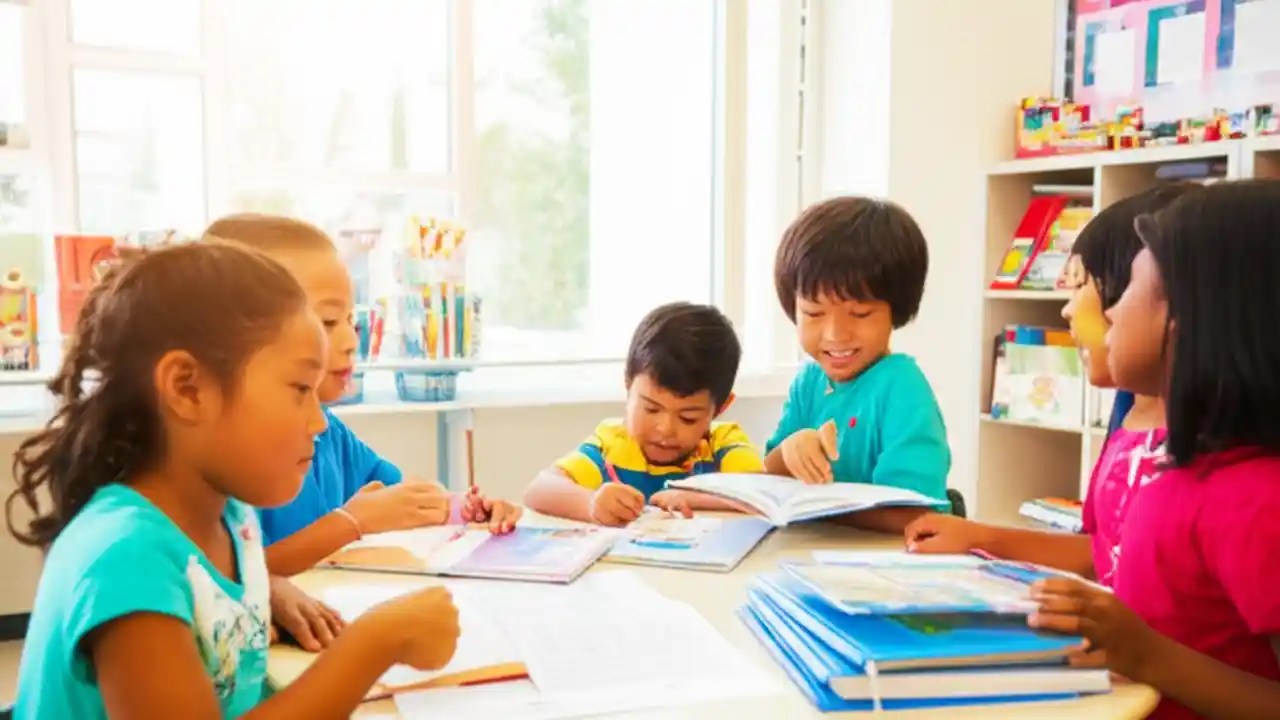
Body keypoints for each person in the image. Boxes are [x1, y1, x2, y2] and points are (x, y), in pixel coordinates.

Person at [6, 242, 460, 719]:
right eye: (299, 389)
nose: (318, 422)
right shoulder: (126, 559)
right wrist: (375, 642)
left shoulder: (231, 516)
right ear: (187, 389)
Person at [1028, 181, 1280, 720]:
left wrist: (1145, 654)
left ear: (1192, 322)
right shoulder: (1177, 473)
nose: (1110, 312)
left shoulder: (1258, 502)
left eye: (1130, 291)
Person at [905, 185, 1199, 584]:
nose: (1067, 309)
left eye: (1079, 286)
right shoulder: (1130, 414)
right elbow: (1102, 552)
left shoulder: (1207, 446)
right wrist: (979, 537)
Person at [204, 214, 520, 576]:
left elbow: (398, 499)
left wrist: (464, 509)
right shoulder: (232, 460)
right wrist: (350, 523)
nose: (352, 340)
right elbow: (232, 581)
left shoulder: (328, 433)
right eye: (327, 322)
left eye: (351, 321)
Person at [764, 196, 950, 532]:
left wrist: (821, 509)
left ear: (896, 310)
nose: (835, 335)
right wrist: (789, 452)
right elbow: (770, 478)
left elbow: (914, 513)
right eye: (814, 313)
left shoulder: (902, 388)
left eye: (860, 314)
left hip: (886, 556)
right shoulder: (809, 381)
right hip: (812, 550)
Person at [524, 302, 763, 526]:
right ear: (628, 384)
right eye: (651, 408)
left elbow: (760, 493)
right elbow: (539, 490)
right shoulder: (611, 445)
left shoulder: (722, 442)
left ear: (720, 408)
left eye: (687, 418)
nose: (665, 429)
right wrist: (591, 504)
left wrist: (694, 498)